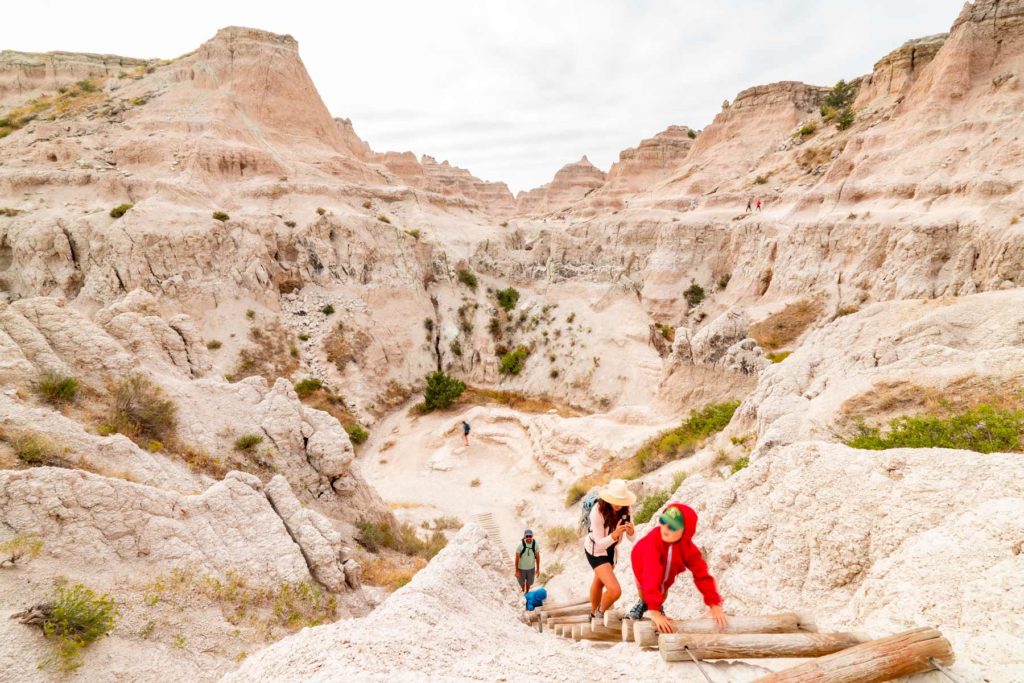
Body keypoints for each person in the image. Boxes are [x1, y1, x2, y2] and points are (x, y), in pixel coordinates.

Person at [627, 503, 728, 633]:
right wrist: (655, 613)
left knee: (663, 591)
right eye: (663, 521)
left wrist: (714, 604)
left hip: (669, 569)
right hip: (642, 564)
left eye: (673, 526)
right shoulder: (652, 542)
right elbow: (650, 575)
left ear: (685, 531)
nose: (665, 528)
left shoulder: (688, 549)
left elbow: (702, 575)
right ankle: (644, 604)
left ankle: (655, 604)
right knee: (645, 591)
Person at [584, 479, 636, 619]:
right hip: (596, 550)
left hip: (611, 551)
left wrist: (630, 531)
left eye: (622, 501)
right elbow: (599, 543)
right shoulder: (597, 511)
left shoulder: (626, 509)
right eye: (616, 500)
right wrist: (615, 534)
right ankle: (599, 614)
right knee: (615, 591)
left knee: (598, 582)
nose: (619, 504)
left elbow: (632, 538)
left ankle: (593, 614)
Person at [514, 529, 539, 593]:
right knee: (521, 583)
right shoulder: (520, 545)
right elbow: (517, 558)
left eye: (530, 536)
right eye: (527, 536)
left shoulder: (535, 544)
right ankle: (522, 592)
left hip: (531, 567)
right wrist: (516, 571)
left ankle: (527, 592)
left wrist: (538, 569)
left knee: (529, 582)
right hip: (521, 568)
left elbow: (538, 556)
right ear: (524, 536)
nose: (528, 538)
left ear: (532, 536)